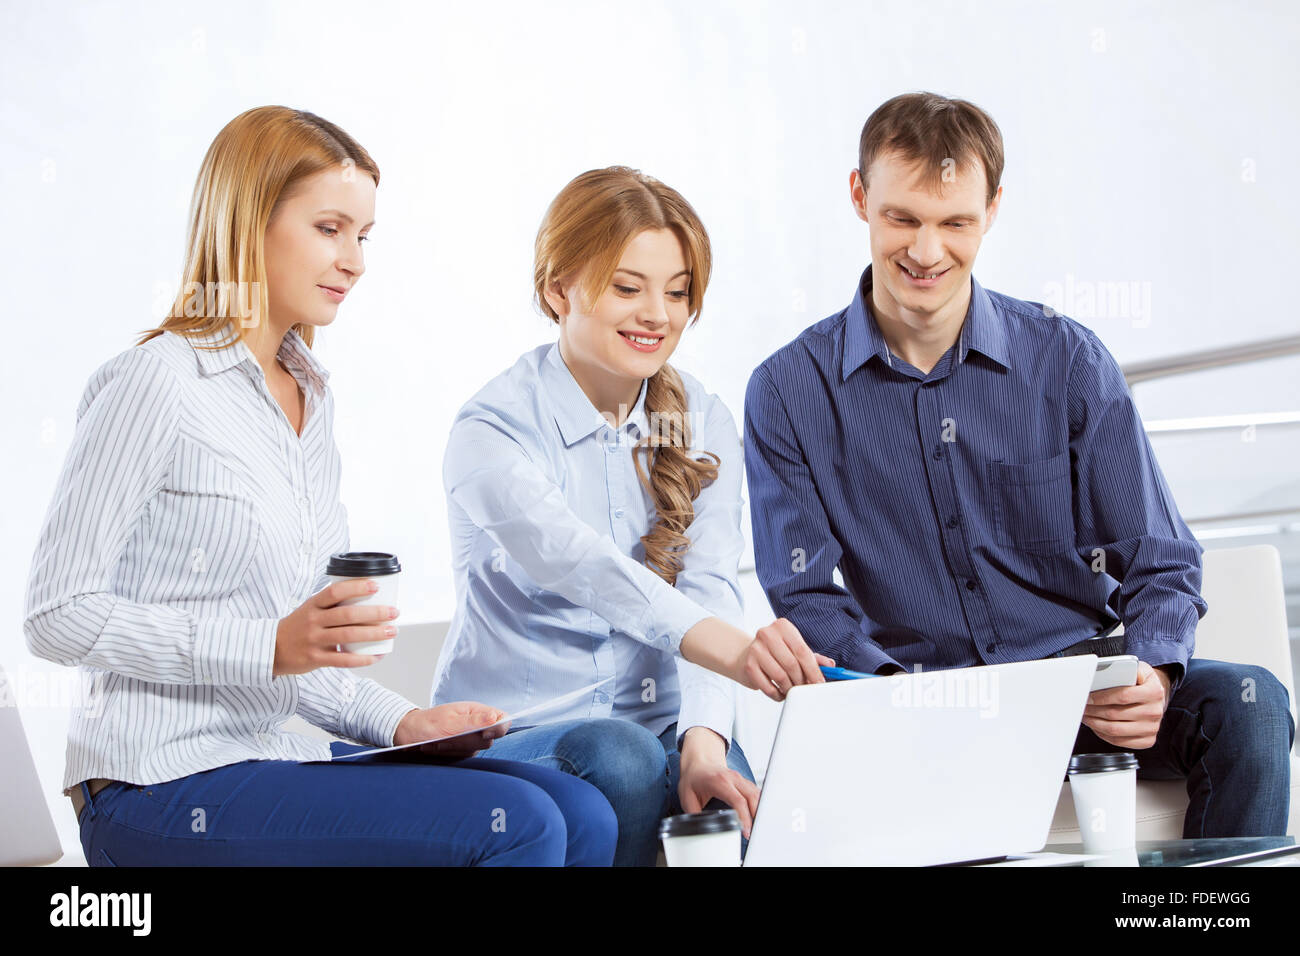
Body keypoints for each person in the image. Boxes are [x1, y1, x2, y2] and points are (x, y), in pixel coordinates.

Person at [23, 106, 616, 866]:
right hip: (155, 784)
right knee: (523, 821)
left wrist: (404, 722)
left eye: (363, 237)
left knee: (583, 811)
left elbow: (305, 658)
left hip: (271, 754)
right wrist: (264, 645)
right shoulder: (156, 381)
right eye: (330, 229)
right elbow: (56, 614)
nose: (356, 261)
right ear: (248, 223)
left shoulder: (309, 396)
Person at [744, 91, 1294, 838]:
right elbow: (804, 593)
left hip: (1081, 686)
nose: (926, 251)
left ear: (993, 210)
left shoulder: (1066, 361)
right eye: (902, 217)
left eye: (955, 223)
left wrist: (1155, 673)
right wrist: (891, 693)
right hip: (917, 703)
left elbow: (1158, 557)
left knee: (1249, 707)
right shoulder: (787, 391)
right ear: (859, 196)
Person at [433, 166, 831, 865]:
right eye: (628, 287)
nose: (658, 314)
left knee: (733, 806)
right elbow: (589, 571)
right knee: (618, 763)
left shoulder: (701, 416)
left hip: (661, 728)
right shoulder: (490, 431)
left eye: (678, 292)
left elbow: (709, 583)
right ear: (559, 289)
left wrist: (703, 742)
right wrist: (740, 655)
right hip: (523, 734)